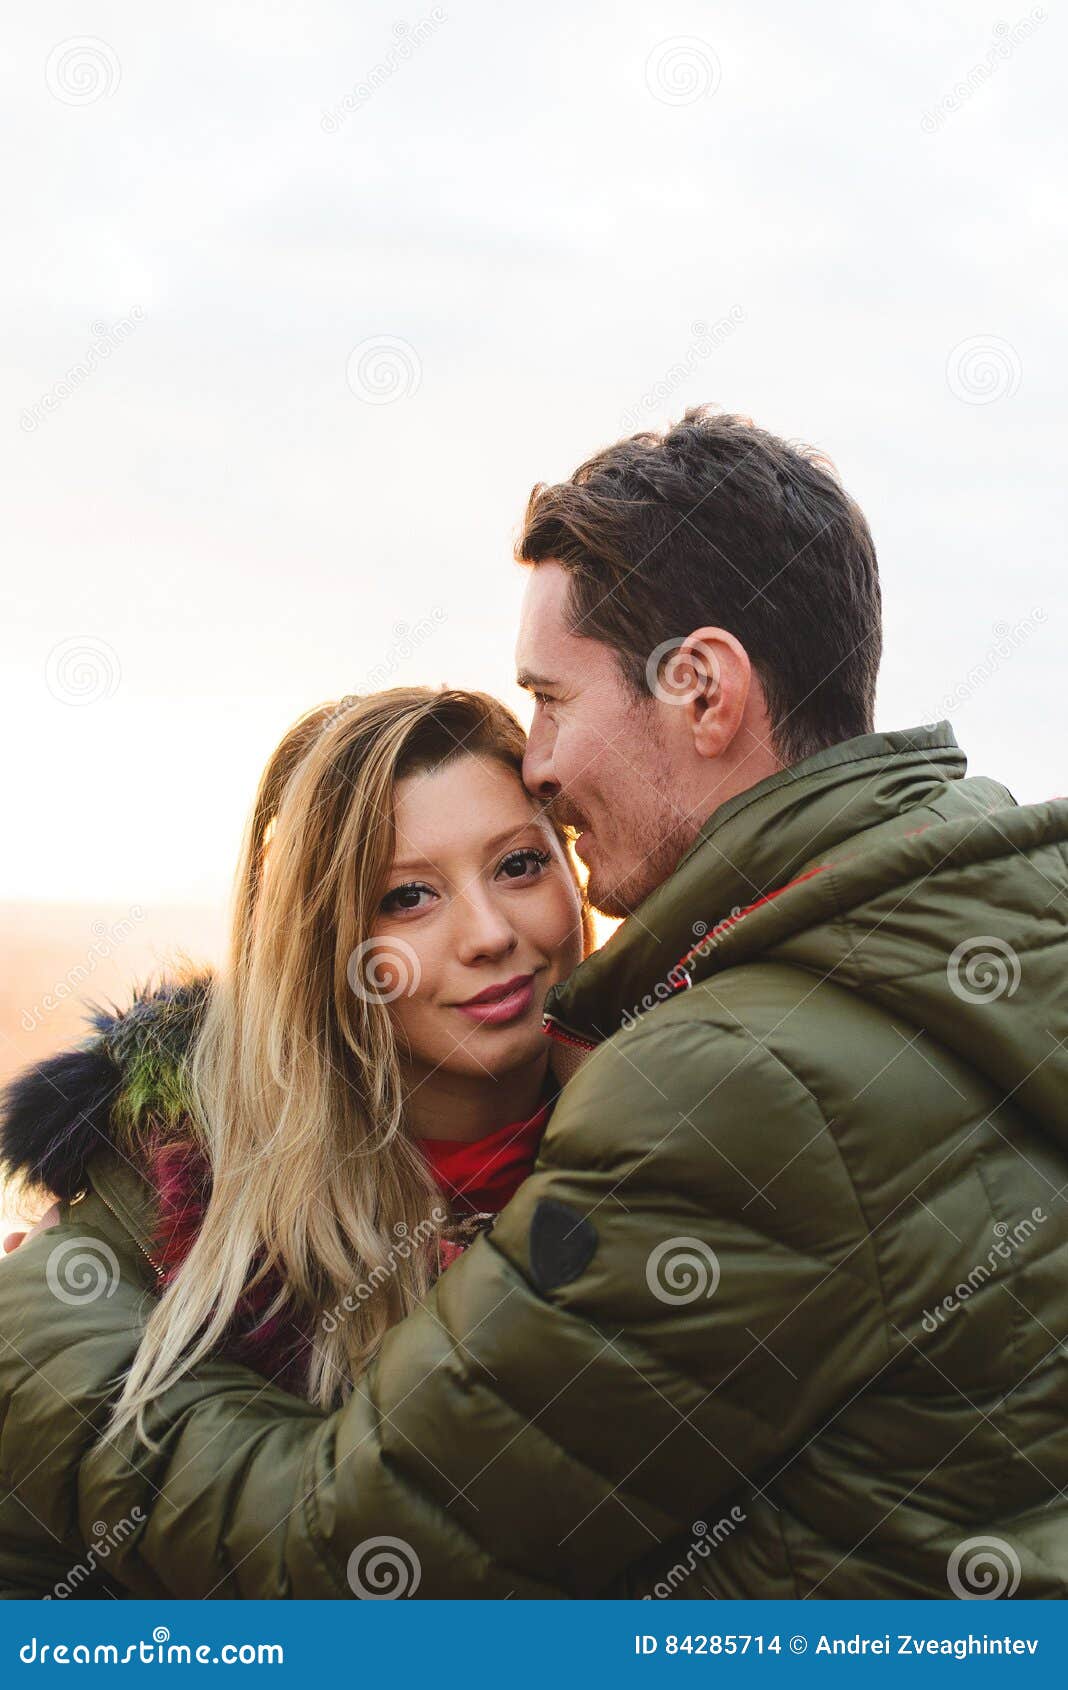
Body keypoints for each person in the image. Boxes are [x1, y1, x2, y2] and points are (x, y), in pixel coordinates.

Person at [2, 406, 1067, 1601]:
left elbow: (351, 1558)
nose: (545, 762)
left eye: (552, 702)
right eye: (407, 893)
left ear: (704, 690)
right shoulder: (968, 906)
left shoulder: (715, 1086)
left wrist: (36, 1340)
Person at [0, 686, 593, 1597]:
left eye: (518, 865)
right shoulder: (164, 1216)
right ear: (323, 948)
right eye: (408, 896)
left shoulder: (677, 1135)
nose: (489, 934)